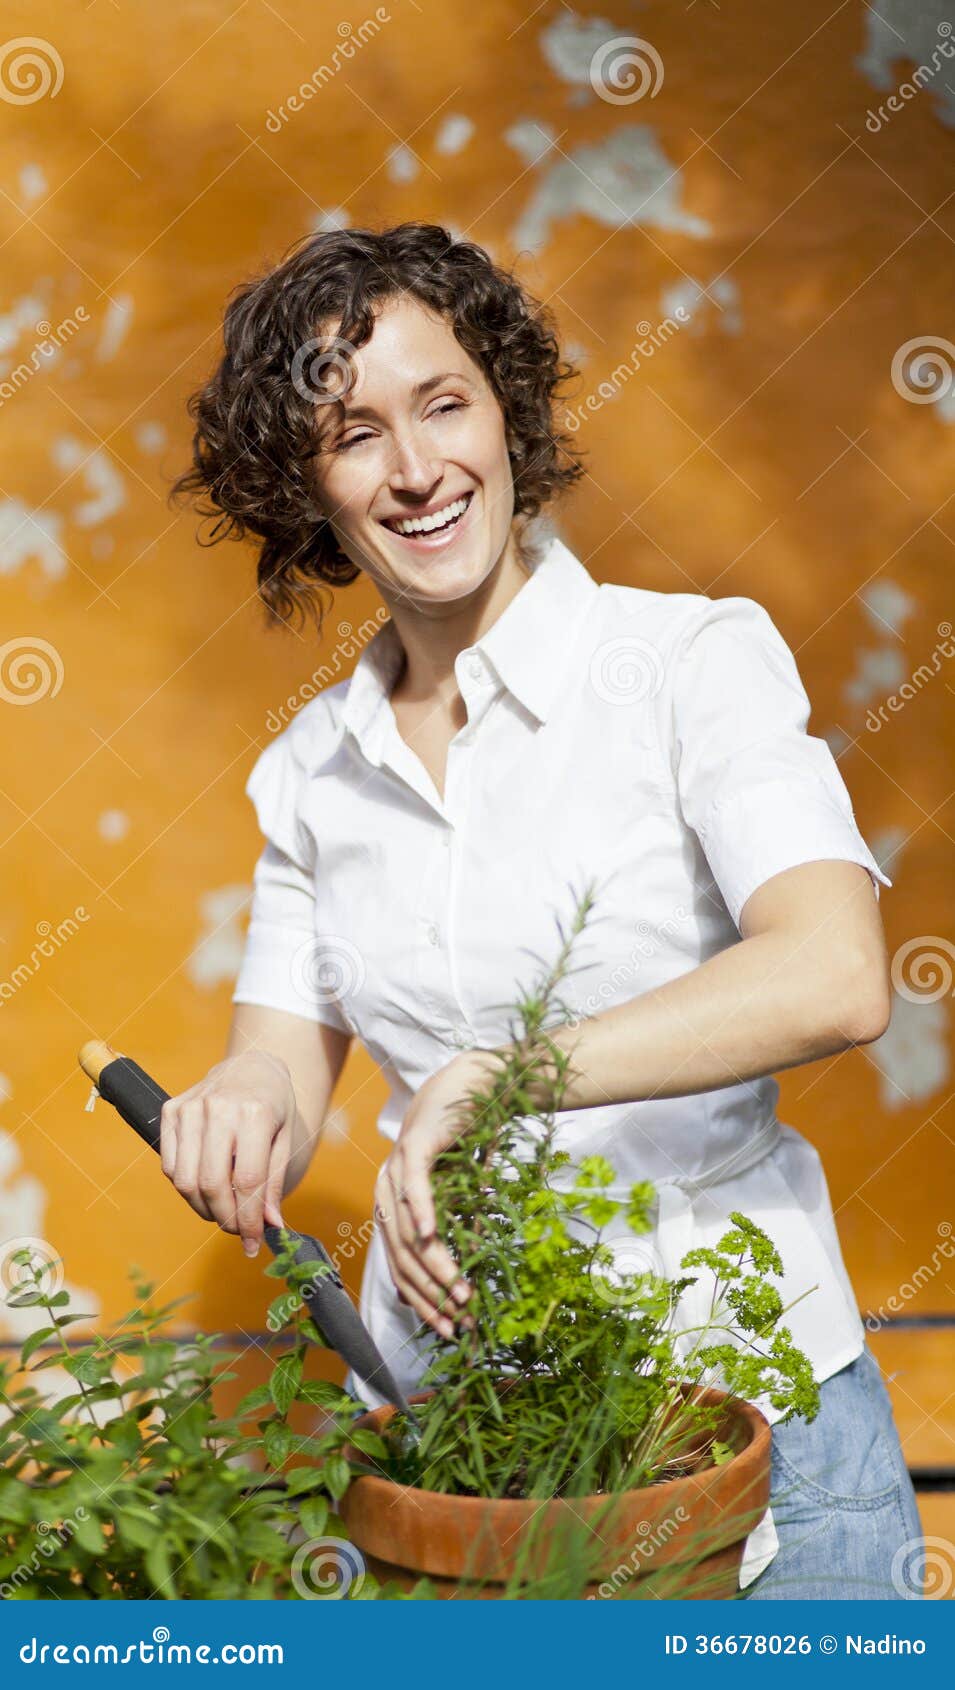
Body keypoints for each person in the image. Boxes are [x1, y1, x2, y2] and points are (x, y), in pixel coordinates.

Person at [165, 221, 924, 1599]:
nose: (414, 470)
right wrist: (237, 1106)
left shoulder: (693, 663)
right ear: (306, 488)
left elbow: (834, 973)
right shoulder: (314, 770)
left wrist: (502, 1079)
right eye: (353, 435)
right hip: (459, 1448)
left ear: (507, 411)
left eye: (443, 404)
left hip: (752, 1425)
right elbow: (280, 1055)